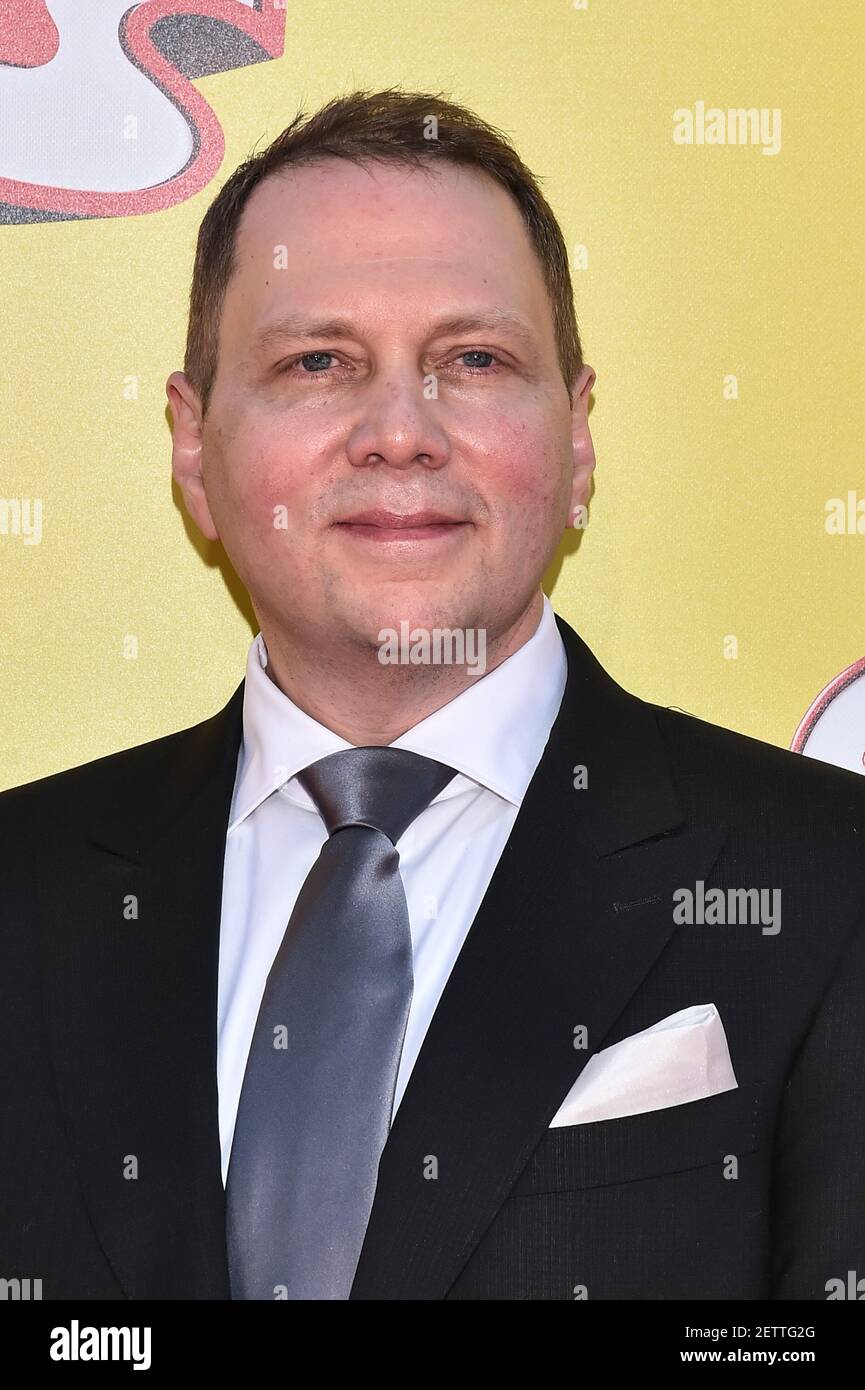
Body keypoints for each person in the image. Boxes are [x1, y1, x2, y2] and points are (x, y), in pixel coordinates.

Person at [2, 87, 864, 1302]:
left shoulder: (829, 879)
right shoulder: (20, 891)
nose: (399, 432)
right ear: (193, 452)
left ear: (576, 442)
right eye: (317, 361)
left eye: (474, 359)